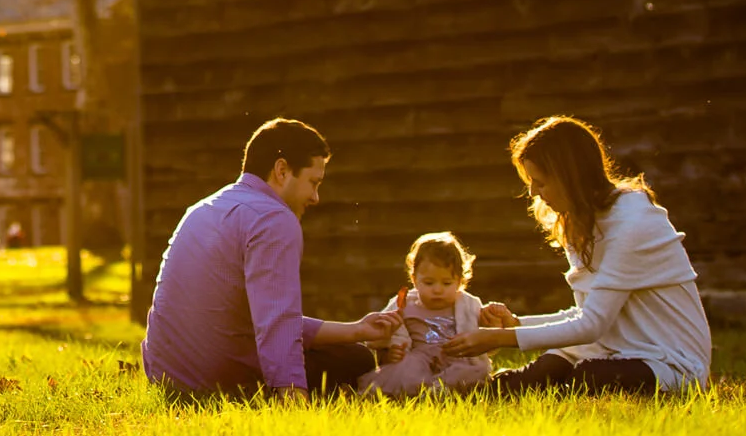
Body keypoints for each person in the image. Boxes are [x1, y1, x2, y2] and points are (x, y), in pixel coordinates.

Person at [442, 115, 712, 396]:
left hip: (668, 360)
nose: (533, 191)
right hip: (609, 346)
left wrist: (500, 337)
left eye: (540, 181)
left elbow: (591, 325)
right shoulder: (580, 220)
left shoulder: (634, 222)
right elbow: (586, 313)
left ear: (569, 177)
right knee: (536, 377)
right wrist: (517, 323)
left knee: (587, 377)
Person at [141, 117, 402, 397]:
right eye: (313, 182)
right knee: (356, 359)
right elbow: (276, 321)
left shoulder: (202, 208)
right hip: (218, 382)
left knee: (348, 346)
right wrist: (291, 394)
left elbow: (262, 313)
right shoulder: (274, 219)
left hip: (165, 378)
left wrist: (357, 329)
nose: (316, 198)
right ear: (282, 170)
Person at [357, 231, 499, 399]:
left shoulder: (469, 305)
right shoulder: (404, 303)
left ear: (460, 281)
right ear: (414, 279)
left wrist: (493, 326)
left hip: (456, 358)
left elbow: (484, 341)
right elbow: (382, 330)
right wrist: (389, 351)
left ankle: (440, 389)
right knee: (405, 371)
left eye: (447, 283)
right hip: (419, 358)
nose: (437, 290)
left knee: (472, 371)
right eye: (428, 283)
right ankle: (421, 391)